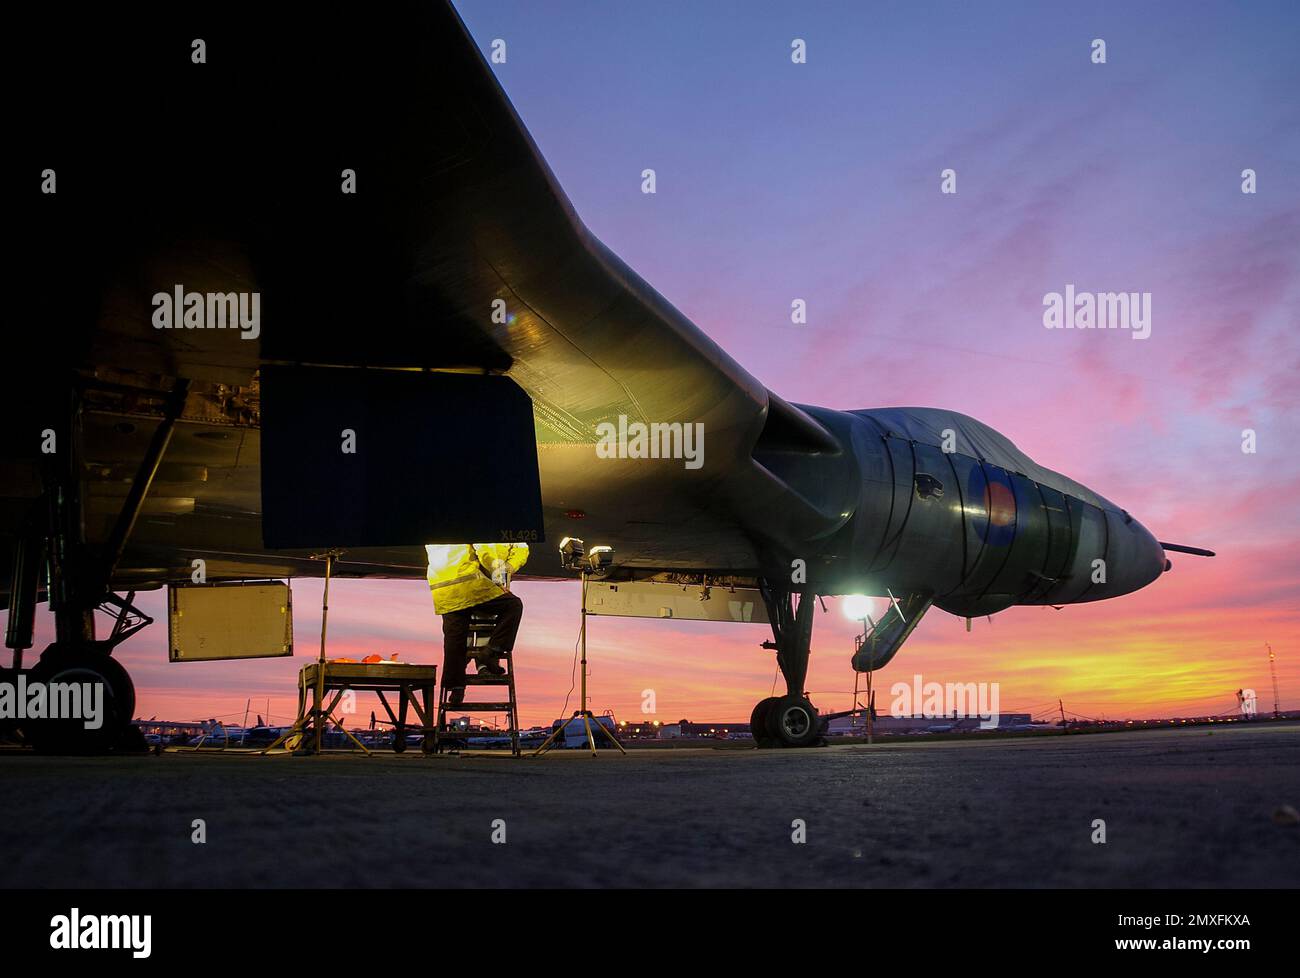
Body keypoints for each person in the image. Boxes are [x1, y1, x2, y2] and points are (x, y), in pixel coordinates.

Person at [425, 543, 529, 706]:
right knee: (513, 606)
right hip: (470, 585)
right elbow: (485, 551)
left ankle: (455, 687)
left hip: (443, 590)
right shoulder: (475, 521)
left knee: (454, 639)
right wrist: (498, 576)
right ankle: (491, 651)